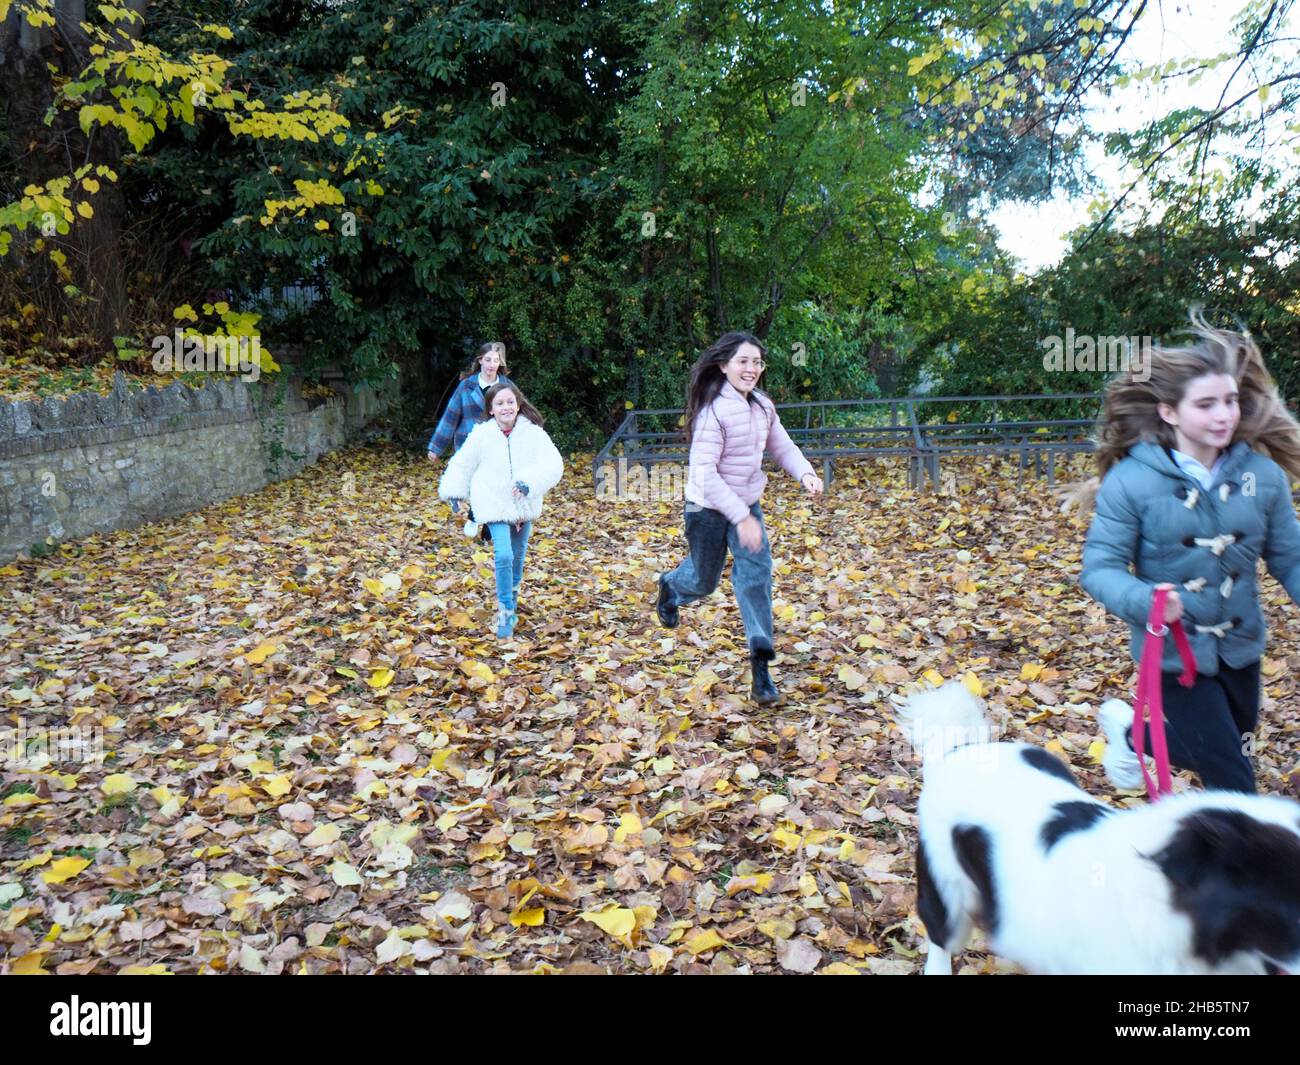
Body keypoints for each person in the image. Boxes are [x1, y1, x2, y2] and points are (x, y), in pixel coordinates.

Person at [1077, 311, 1300, 792]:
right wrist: (1146, 600)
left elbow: (1290, 556)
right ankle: (1243, 864)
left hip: (1241, 649)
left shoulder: (1263, 478)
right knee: (1234, 778)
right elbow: (1100, 568)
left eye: (1230, 401)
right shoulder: (1130, 482)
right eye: (1206, 405)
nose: (1224, 415)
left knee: (1229, 747)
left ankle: (1133, 734)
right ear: (1170, 412)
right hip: (1175, 658)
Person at [655, 331, 823, 705]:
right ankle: (671, 586)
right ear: (724, 365)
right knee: (704, 580)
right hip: (707, 508)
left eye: (757, 362)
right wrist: (739, 517)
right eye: (744, 361)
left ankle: (761, 665)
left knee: (756, 575)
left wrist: (805, 473)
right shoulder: (712, 411)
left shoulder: (762, 405)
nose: (751, 369)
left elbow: (781, 445)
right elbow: (704, 475)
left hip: (747, 505)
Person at [438, 382, 564, 640]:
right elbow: (462, 464)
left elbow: (553, 464)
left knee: (517, 560)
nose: (505, 407)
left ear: (518, 406)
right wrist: (454, 492)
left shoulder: (534, 434)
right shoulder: (481, 434)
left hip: (523, 506)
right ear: (491, 410)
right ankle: (505, 613)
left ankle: (512, 606)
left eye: (510, 402)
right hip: (493, 503)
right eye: (499, 403)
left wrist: (528, 482)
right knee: (504, 555)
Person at [428, 343, 513, 532]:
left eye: (496, 360)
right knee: (474, 485)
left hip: (498, 445)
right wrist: (436, 447)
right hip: (469, 444)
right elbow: (451, 415)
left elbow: (520, 412)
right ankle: (472, 513)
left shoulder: (507, 386)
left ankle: (487, 528)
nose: (492, 364)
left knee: (494, 486)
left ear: (501, 363)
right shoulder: (466, 386)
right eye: (488, 359)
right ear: (480, 360)